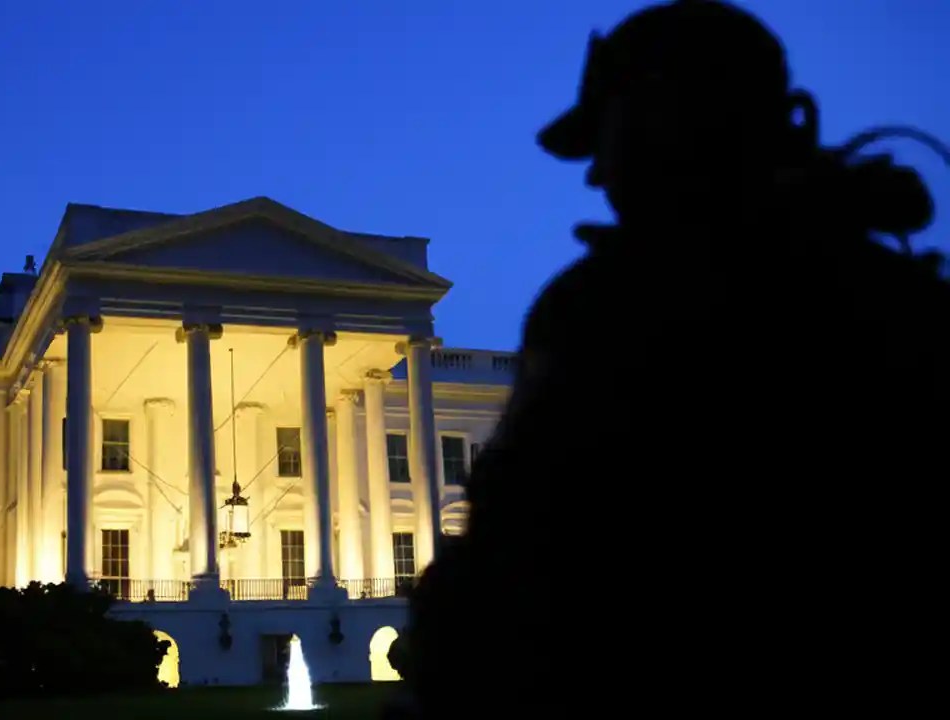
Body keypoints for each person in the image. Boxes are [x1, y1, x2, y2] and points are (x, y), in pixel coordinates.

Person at [399, 1, 950, 717]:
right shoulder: (900, 296)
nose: (597, 174)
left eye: (609, 137)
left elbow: (511, 547)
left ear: (670, 123)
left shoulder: (609, 306)